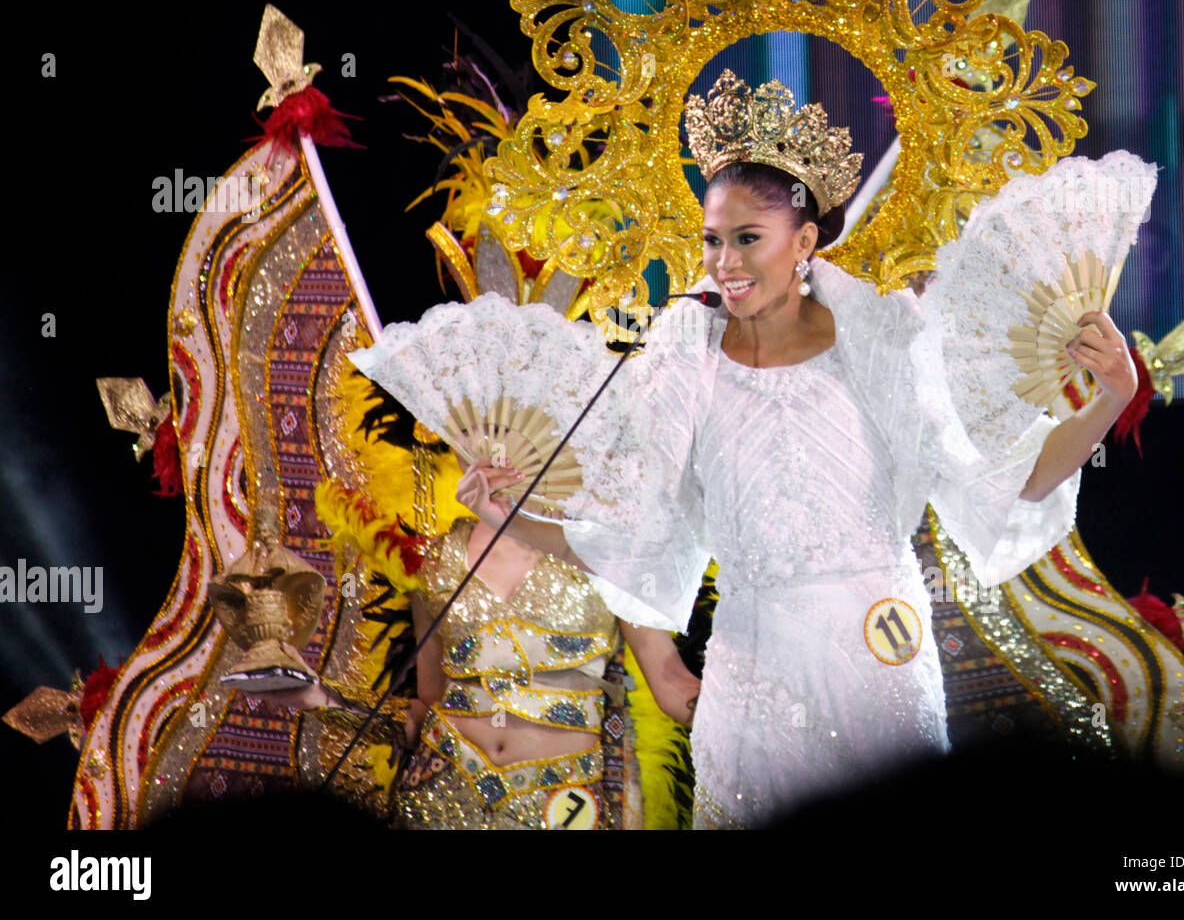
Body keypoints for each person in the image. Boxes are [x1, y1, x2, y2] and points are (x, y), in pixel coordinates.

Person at [355, 72, 1143, 828]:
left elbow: (1017, 478)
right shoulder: (679, 365)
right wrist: (513, 515)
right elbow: (635, 537)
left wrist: (1110, 392)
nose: (724, 263)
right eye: (710, 241)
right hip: (749, 685)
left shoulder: (887, 342)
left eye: (746, 238)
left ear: (803, 240)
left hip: (882, 664)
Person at [267, 513, 700, 829]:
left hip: (561, 805)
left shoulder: (607, 553)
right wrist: (319, 699)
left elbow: (673, 686)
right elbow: (425, 708)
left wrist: (754, 712)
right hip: (441, 796)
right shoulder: (434, 560)